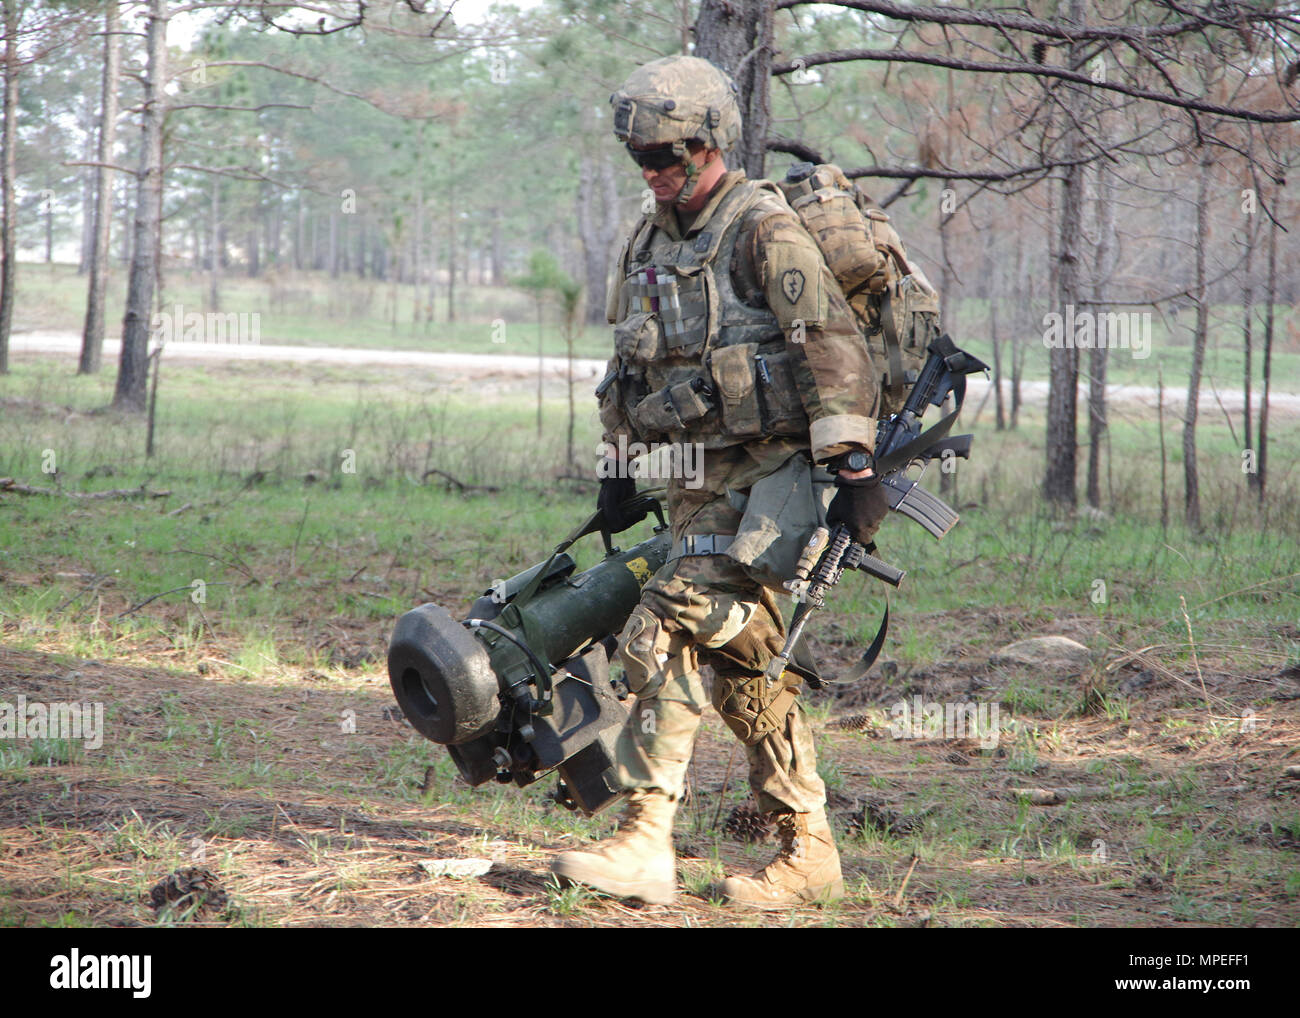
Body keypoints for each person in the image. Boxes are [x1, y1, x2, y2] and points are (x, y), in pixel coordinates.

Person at [550, 54, 889, 908]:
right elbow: (629, 363)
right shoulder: (646, 238)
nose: (659, 172)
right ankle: (809, 851)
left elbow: (830, 342)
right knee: (748, 669)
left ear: (714, 143)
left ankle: (644, 839)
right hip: (694, 483)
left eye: (674, 155)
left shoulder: (760, 226)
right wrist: (619, 467)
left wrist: (854, 469)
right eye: (644, 159)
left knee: (662, 625)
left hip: (775, 482)